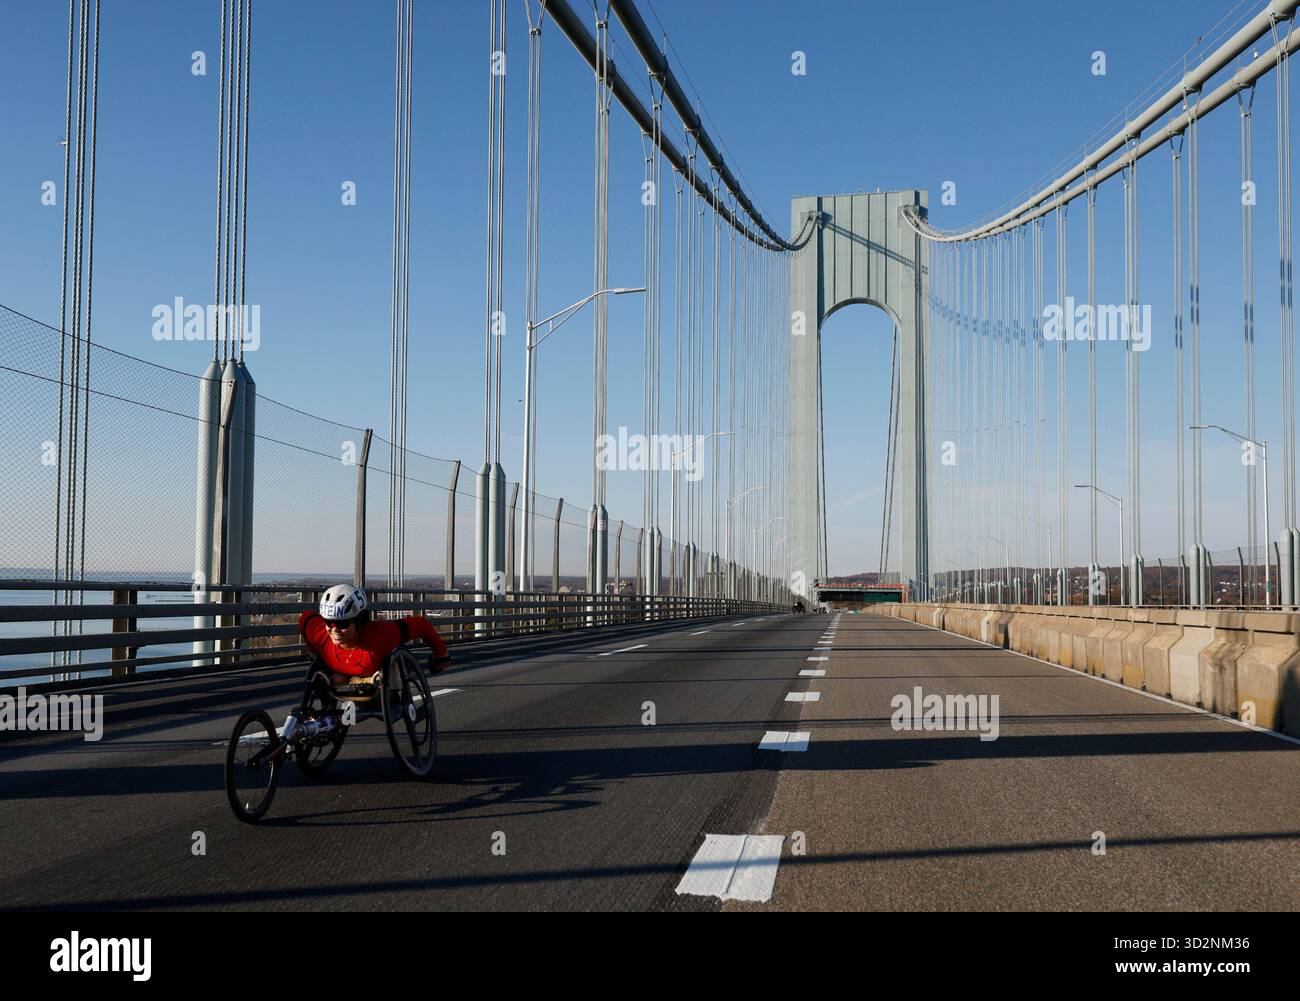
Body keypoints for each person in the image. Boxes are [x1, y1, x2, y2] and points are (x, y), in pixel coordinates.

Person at [299, 585, 451, 684]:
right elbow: (305, 618)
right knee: (334, 678)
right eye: (328, 622)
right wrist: (313, 652)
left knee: (386, 673)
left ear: (359, 622)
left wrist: (441, 653)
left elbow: (421, 624)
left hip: (371, 677)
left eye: (342, 624)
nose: (334, 629)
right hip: (335, 672)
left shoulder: (380, 635)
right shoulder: (318, 632)